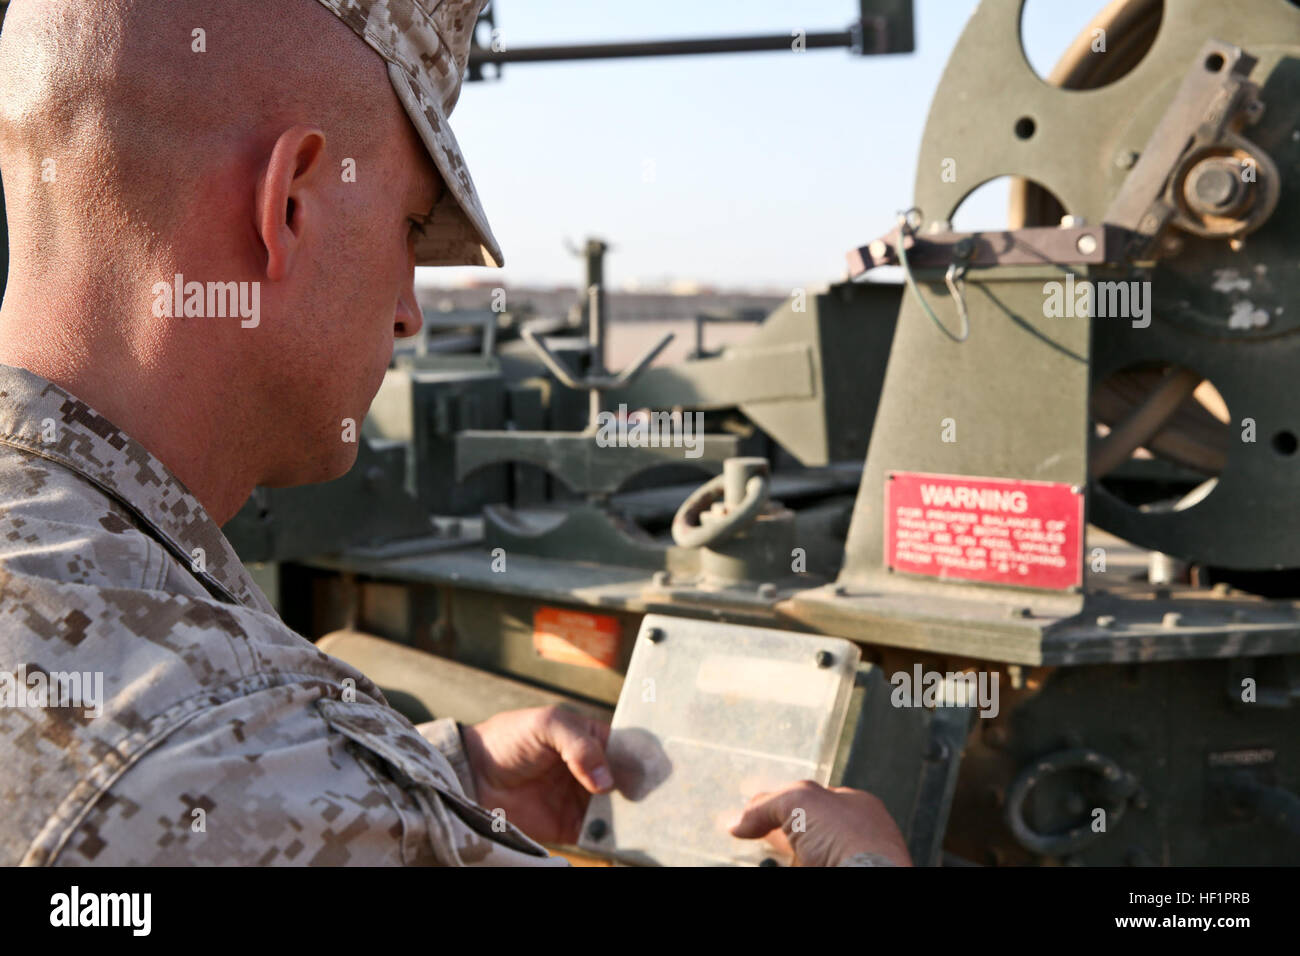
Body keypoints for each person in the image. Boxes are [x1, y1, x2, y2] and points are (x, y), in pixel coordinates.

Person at [0, 0, 910, 867]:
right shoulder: (206, 763)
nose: (408, 315)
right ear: (287, 206)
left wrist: (446, 774)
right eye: (407, 228)